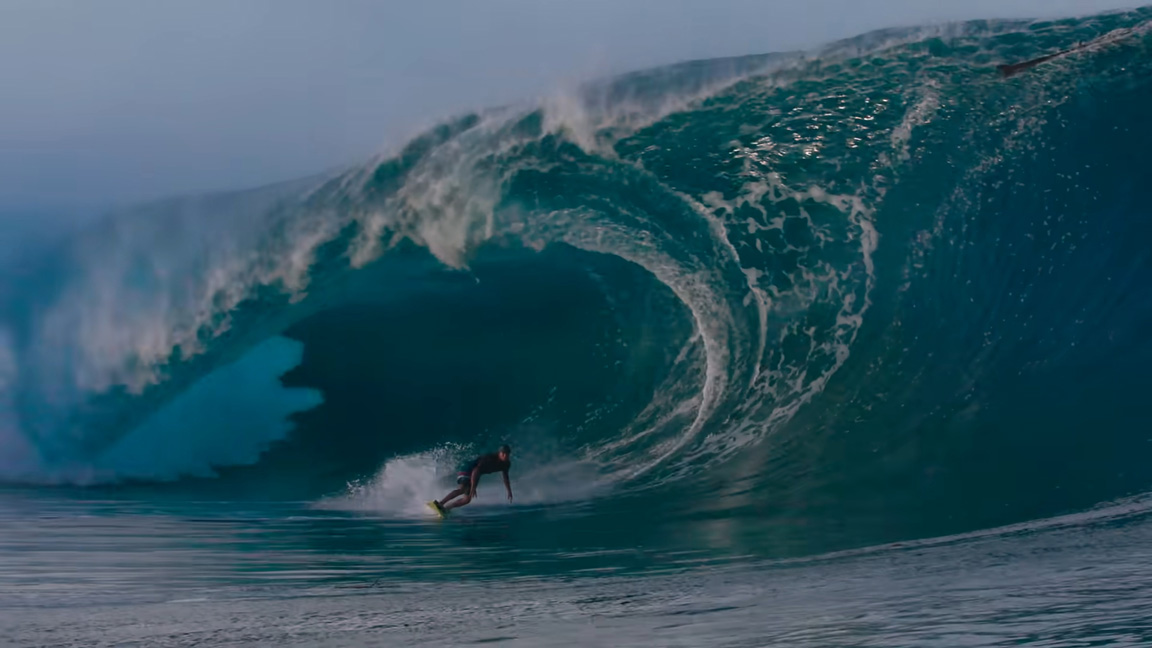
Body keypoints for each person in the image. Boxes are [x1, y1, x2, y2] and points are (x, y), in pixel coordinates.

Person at [432, 445, 513, 514]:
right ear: (499, 453)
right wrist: (473, 487)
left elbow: (505, 477)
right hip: (468, 469)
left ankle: (446, 509)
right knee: (463, 489)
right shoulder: (490, 459)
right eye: (503, 454)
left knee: (467, 499)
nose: (505, 456)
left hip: (475, 474)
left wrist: (509, 490)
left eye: (507, 454)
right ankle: (440, 503)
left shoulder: (506, 464)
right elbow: (476, 470)